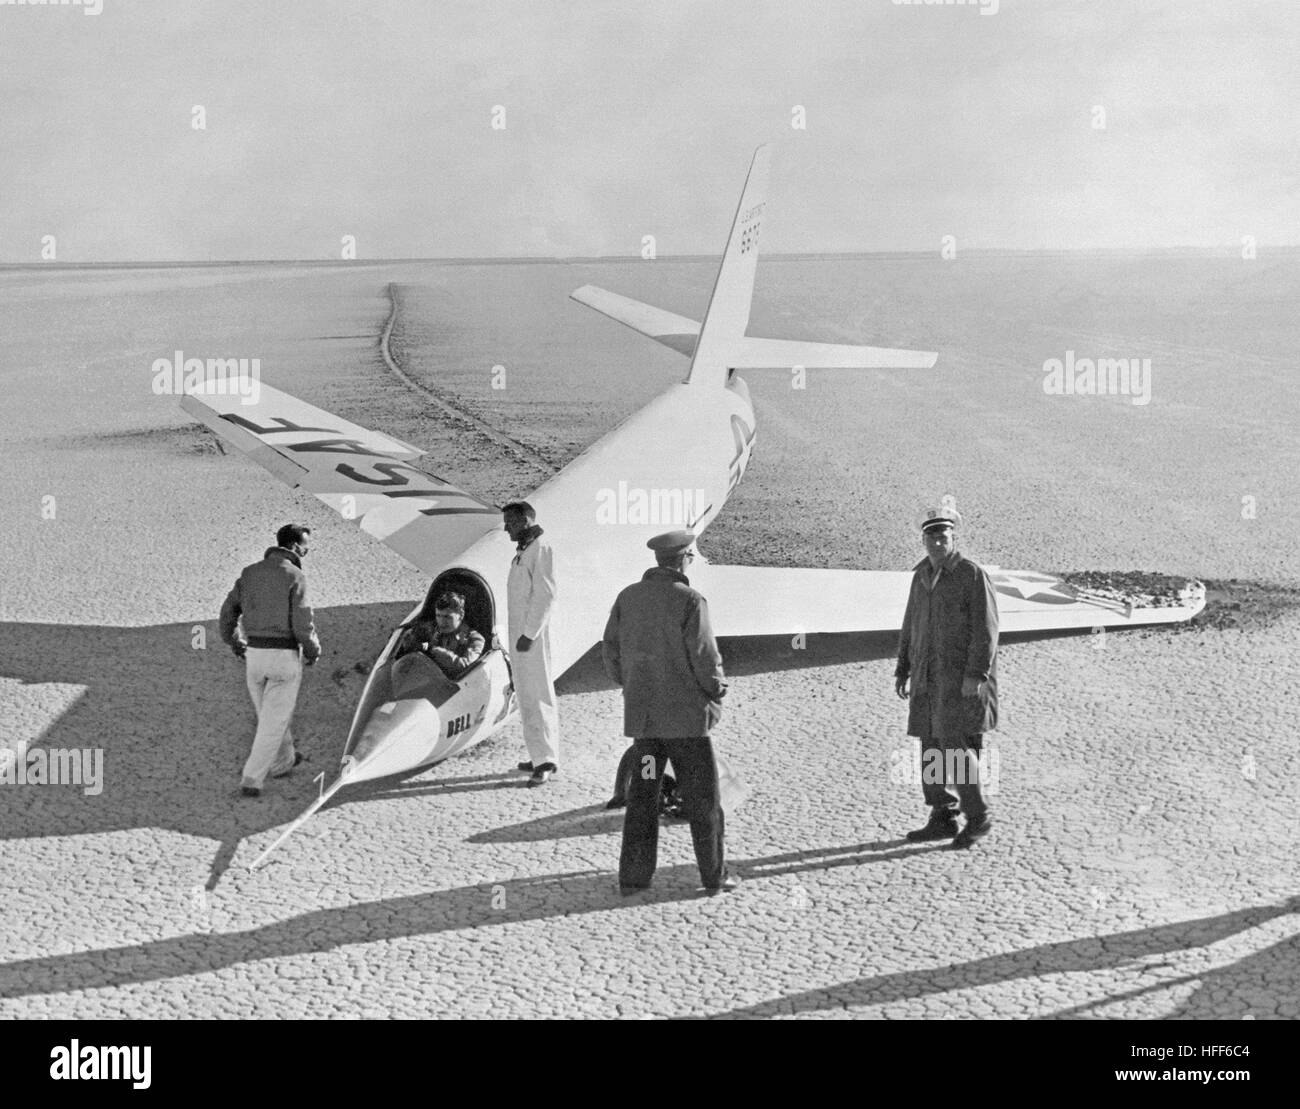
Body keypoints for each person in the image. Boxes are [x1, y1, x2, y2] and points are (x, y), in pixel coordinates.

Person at [602, 529, 738, 894]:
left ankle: (633, 878)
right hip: (687, 726)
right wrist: (716, 689)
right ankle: (714, 875)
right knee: (703, 801)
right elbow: (705, 657)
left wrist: (630, 683)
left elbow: (610, 648)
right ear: (684, 559)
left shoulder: (628, 597)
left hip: (646, 728)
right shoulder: (691, 601)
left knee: (643, 799)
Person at [894, 506, 999, 849]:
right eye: (931, 537)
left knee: (955, 748)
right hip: (927, 677)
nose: (937, 543)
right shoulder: (921, 575)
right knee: (929, 746)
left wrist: (976, 674)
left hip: (959, 680)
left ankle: (978, 818)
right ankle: (942, 816)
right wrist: (903, 667)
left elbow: (986, 631)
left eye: (943, 536)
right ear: (922, 540)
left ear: (954, 538)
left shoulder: (971, 575)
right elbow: (911, 624)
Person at [219, 523, 322, 797]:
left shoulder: (249, 573)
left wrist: (234, 642)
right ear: (295, 546)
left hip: (254, 656)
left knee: (271, 715)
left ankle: (283, 761)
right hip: (283, 658)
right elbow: (303, 623)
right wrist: (313, 650)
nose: (307, 550)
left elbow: (227, 613)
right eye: (306, 546)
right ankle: (252, 779)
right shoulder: (295, 575)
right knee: (272, 722)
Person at [503, 501, 560, 785]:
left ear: (525, 520)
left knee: (538, 694)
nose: (506, 528)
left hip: (530, 638)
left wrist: (530, 634)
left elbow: (545, 595)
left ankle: (547, 760)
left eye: (510, 523)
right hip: (519, 637)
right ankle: (538, 755)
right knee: (526, 696)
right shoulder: (524, 551)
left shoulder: (541, 548)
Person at [396, 592, 485, 679]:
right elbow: (407, 639)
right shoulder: (431, 629)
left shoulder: (475, 639)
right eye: (438, 616)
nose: (442, 622)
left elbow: (465, 666)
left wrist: (433, 650)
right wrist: (410, 643)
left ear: (461, 615)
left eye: (447, 617)